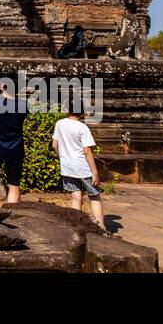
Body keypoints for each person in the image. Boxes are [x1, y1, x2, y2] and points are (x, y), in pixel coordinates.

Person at [51, 99, 107, 233]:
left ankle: (75, 227)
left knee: (76, 196)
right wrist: (95, 172)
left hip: (67, 167)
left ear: (66, 110)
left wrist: (62, 157)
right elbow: (87, 151)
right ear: (82, 113)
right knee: (94, 196)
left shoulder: (60, 124)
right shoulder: (82, 127)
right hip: (83, 168)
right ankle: (100, 227)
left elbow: (54, 145)